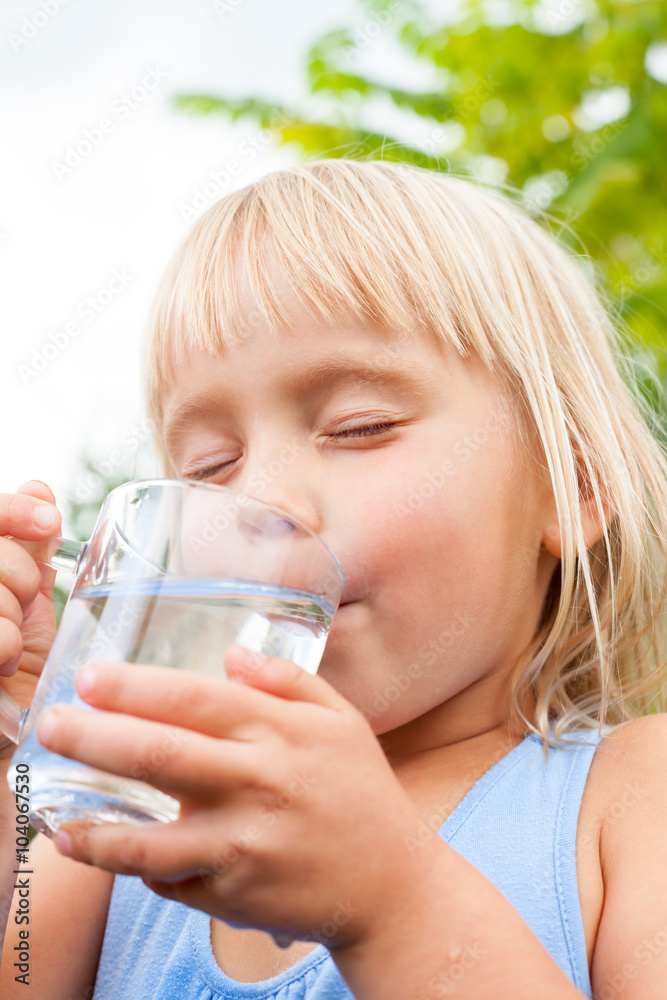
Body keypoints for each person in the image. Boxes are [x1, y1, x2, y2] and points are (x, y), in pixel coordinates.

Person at [1, 159, 666, 1000]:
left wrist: (393, 904)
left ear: (571, 489)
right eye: (209, 467)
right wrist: (19, 778)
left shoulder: (634, 797)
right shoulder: (136, 813)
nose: (261, 496)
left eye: (360, 426)